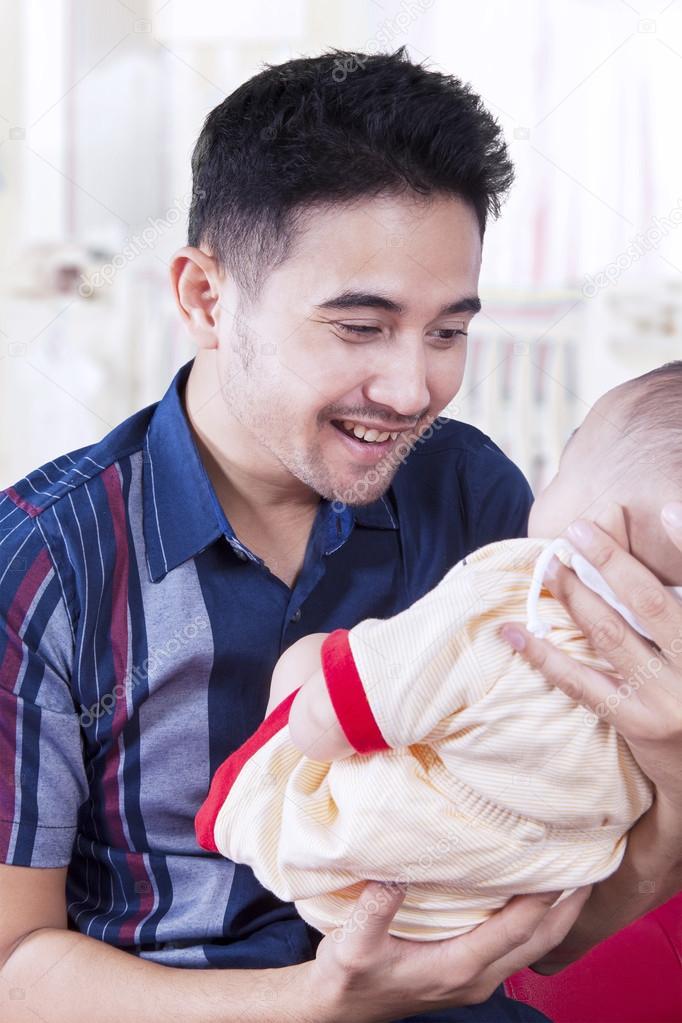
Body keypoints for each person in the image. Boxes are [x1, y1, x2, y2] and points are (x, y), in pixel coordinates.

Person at [0, 47, 680, 1023]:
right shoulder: (40, 565)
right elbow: (15, 965)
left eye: (446, 332)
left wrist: (671, 767)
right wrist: (321, 1001)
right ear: (205, 297)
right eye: (360, 328)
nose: (413, 390)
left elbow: (553, 889)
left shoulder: (466, 490)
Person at [195, 364, 681, 941]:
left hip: (346, 882)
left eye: (561, 473)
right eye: (357, 327)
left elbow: (334, 722)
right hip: (501, 912)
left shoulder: (501, 590)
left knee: (315, 657)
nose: (409, 391)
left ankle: (246, 801)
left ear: (598, 524)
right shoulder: (666, 671)